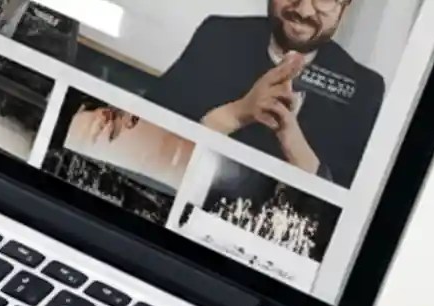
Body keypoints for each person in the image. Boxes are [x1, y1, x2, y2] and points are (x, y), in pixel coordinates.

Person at [148, 0, 386, 188]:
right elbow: (141, 134)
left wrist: (293, 141)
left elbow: (346, 209)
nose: (304, 10)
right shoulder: (218, 34)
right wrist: (236, 114)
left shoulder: (365, 90)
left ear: (345, 7)